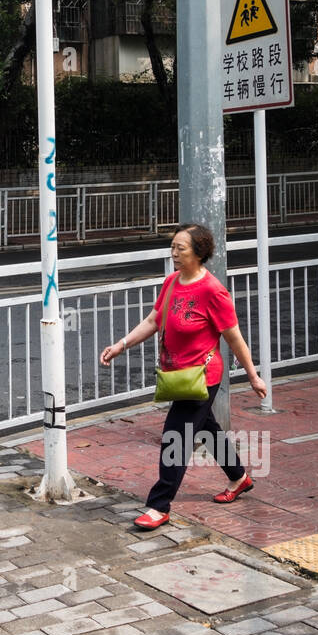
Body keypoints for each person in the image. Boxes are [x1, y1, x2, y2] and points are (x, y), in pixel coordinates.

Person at [99, 222, 267, 530]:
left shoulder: (213, 291)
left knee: (174, 436)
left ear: (199, 253)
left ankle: (158, 505)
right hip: (178, 374)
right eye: (173, 247)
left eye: (181, 248)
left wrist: (253, 376)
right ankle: (238, 478)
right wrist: (121, 345)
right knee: (207, 430)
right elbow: (154, 319)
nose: (174, 253)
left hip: (203, 377)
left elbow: (234, 337)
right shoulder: (172, 282)